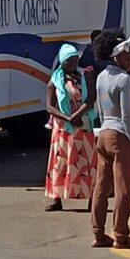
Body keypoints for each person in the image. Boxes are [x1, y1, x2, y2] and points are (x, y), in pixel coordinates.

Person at [91, 34, 130, 249]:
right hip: (119, 136)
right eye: (126, 55)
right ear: (116, 56)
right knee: (123, 188)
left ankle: (98, 234)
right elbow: (127, 115)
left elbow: (100, 110)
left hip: (103, 135)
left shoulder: (101, 77)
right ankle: (121, 235)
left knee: (102, 187)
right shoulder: (124, 80)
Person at [43, 44, 97, 211]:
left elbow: (91, 98)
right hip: (63, 128)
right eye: (70, 61)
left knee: (86, 163)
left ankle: (91, 199)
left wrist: (79, 115)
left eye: (75, 60)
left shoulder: (85, 75)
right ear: (63, 62)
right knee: (60, 163)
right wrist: (68, 118)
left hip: (83, 124)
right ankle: (57, 199)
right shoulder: (55, 80)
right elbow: (50, 107)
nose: (73, 64)